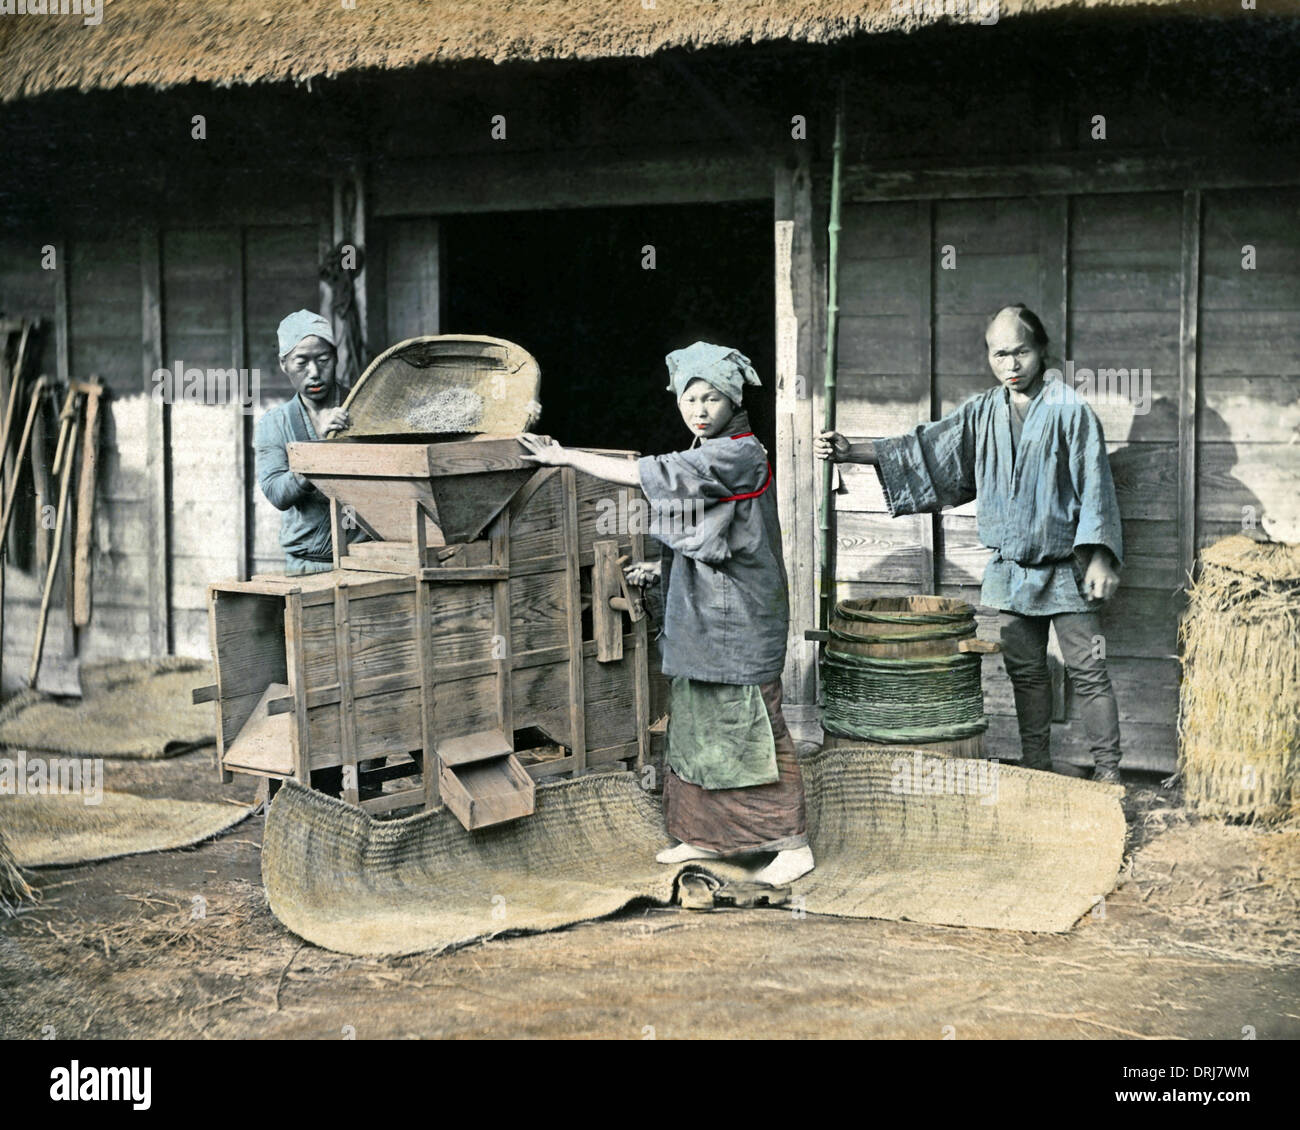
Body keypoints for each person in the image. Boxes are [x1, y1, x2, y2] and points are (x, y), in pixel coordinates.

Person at [518, 342, 815, 884]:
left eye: (711, 398)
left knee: (753, 726)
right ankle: (701, 835)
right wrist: (660, 567)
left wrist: (562, 456)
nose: (699, 409)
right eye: (688, 398)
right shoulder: (709, 448)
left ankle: (792, 844)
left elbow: (646, 476)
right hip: (705, 610)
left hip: (741, 614)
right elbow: (714, 530)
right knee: (699, 721)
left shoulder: (740, 452)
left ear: (733, 400)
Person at [814, 304, 1125, 784]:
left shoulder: (1070, 410)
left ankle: (1108, 772)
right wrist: (851, 450)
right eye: (1000, 354)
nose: (1011, 365)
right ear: (989, 357)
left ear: (1042, 350)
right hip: (1010, 569)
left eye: (1021, 352)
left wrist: (1101, 557)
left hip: (1068, 566)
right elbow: (926, 447)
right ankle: (1036, 766)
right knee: (1026, 673)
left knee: (1088, 671)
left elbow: (1095, 482)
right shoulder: (983, 412)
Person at [254, 310, 367, 575]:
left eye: (323, 359)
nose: (314, 372)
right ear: (284, 364)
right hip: (307, 565)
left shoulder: (363, 410)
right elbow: (277, 493)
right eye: (301, 362)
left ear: (337, 357)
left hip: (366, 562)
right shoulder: (275, 423)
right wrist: (318, 448)